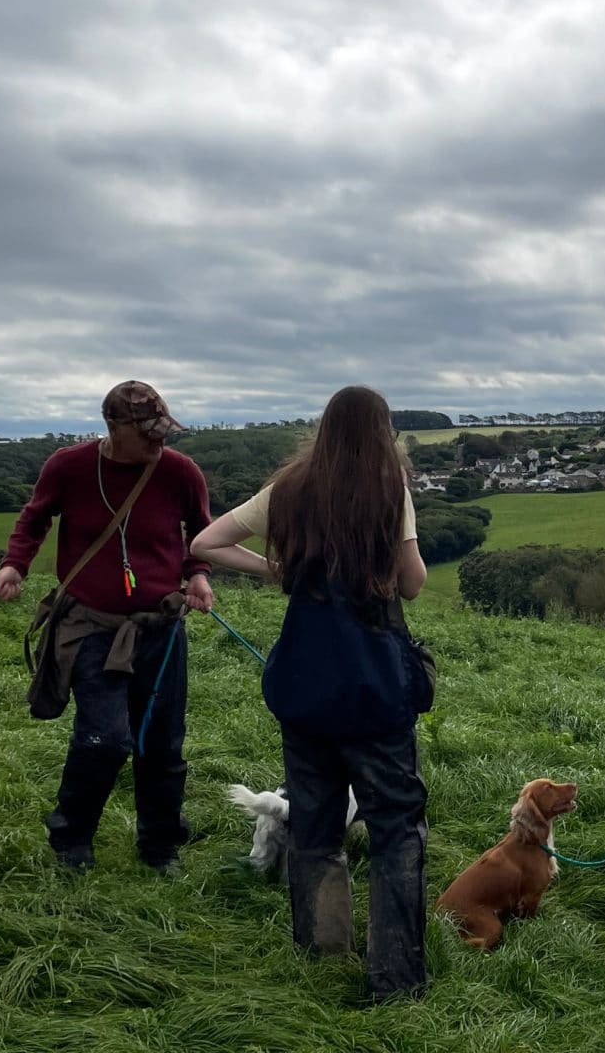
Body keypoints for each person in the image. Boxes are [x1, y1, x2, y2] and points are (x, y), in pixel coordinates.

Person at [190, 384, 429, 1003]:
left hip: (304, 682)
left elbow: (206, 543)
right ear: (383, 432)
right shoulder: (389, 490)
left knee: (315, 829)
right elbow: (412, 585)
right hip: (375, 687)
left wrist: (277, 569)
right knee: (396, 833)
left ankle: (321, 952)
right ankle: (394, 978)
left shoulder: (288, 489)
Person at [0, 381, 214, 872]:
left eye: (163, 430)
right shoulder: (68, 466)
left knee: (162, 742)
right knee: (105, 738)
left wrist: (197, 574)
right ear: (113, 426)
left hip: (159, 628)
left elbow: (202, 532)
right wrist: (14, 565)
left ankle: (160, 846)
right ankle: (71, 840)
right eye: (148, 432)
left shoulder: (180, 471)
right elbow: (34, 519)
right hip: (90, 625)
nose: (159, 441)